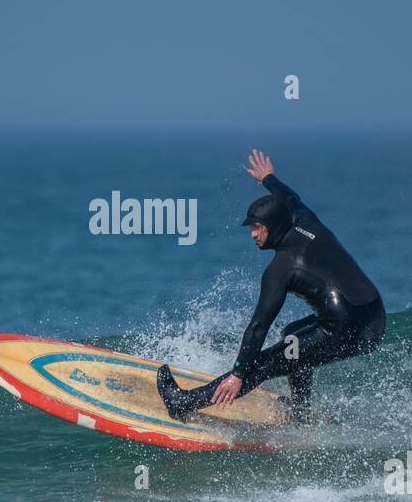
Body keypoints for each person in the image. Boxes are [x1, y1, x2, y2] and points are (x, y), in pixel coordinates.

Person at [157, 149, 385, 424]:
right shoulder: (306, 221)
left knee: (261, 365)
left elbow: (257, 327)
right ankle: (301, 410)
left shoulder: (282, 267)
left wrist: (239, 373)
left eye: (257, 227)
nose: (253, 234)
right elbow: (290, 199)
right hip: (373, 317)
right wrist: (268, 178)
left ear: (272, 226)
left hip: (346, 332)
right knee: (291, 336)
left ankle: (183, 404)